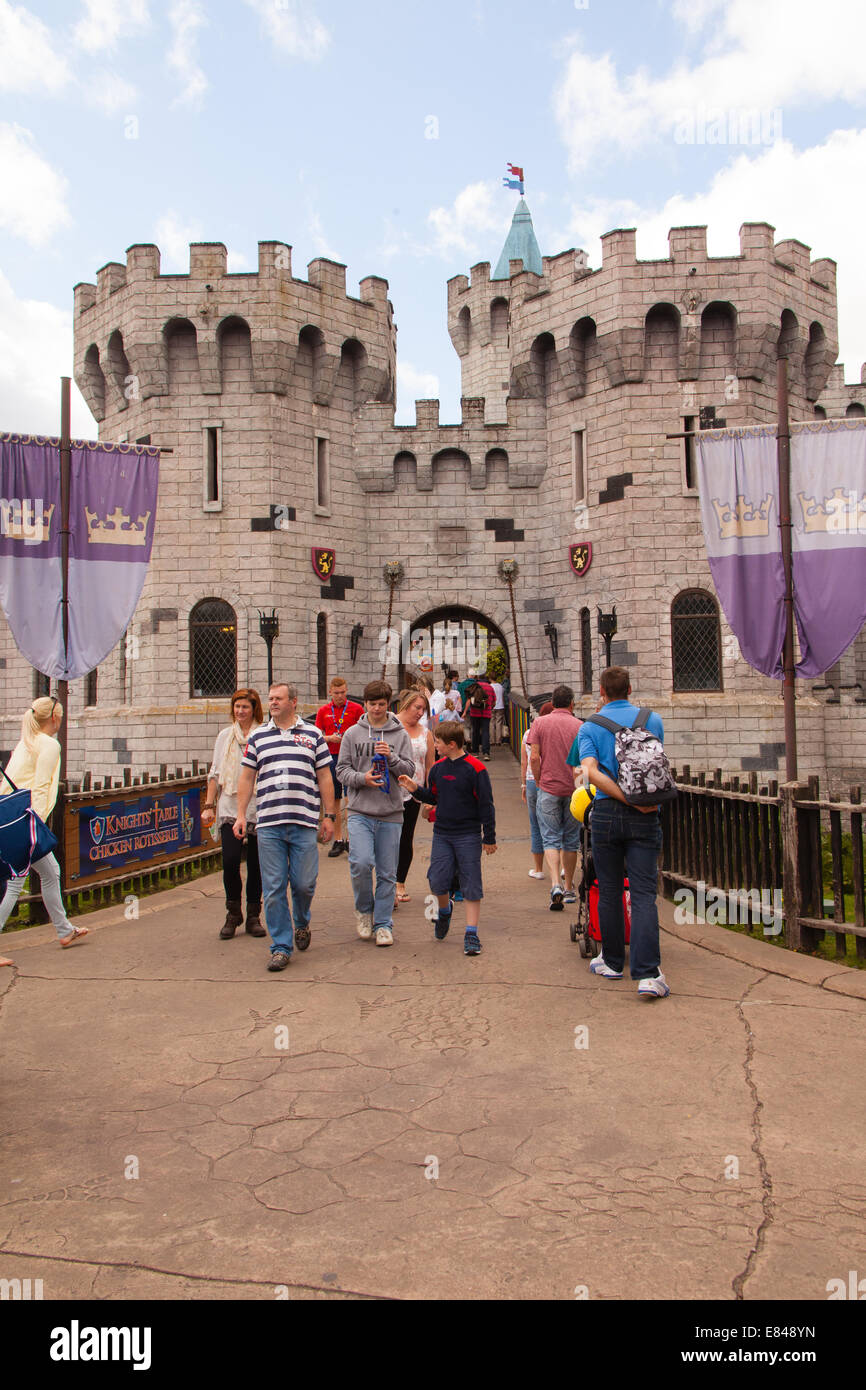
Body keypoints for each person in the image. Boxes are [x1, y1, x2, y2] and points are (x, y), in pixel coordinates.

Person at [570, 666, 670, 999]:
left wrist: (622, 798)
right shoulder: (651, 720)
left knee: (609, 889)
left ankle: (611, 962)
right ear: (629, 688)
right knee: (642, 894)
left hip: (607, 815)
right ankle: (647, 974)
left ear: (601, 691)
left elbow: (589, 772)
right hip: (645, 814)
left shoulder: (590, 726)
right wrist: (638, 801)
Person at [234, 682, 335, 971]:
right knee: (275, 887)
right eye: (270, 699)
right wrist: (242, 814)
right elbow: (246, 778)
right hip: (269, 824)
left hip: (304, 821)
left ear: (293, 701)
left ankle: (301, 922)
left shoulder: (313, 734)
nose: (273, 703)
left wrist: (329, 816)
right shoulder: (257, 737)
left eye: (278, 698)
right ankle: (281, 945)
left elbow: (325, 777)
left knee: (303, 884)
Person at [0, 695, 89, 962]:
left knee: (49, 873)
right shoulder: (49, 744)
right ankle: (64, 930)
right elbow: (40, 786)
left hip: (10, 818)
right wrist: (35, 826)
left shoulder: (26, 742)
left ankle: (65, 930)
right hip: (25, 822)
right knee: (17, 882)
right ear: (56, 718)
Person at [399, 721, 496, 956]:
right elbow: (433, 796)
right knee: (437, 881)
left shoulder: (475, 769)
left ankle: (471, 933)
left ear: (451, 744)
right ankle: (444, 911)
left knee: (471, 883)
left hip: (468, 834)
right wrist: (414, 788)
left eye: (439, 744)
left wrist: (489, 837)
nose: (436, 747)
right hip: (442, 833)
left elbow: (486, 804)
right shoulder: (439, 769)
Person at [337, 679, 415, 947]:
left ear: (388, 703)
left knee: (386, 872)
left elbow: (409, 770)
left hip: (391, 811)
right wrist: (362, 779)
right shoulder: (352, 734)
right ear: (365, 704)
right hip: (360, 809)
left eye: (382, 704)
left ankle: (383, 923)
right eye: (373, 704)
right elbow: (341, 770)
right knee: (360, 863)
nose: (377, 709)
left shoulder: (400, 734)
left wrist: (391, 759)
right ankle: (363, 911)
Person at [203, 688, 265, 939]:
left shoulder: (264, 734)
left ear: (254, 709)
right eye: (237, 707)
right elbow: (215, 773)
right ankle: (233, 911)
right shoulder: (225, 737)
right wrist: (209, 805)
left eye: (245, 707)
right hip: (230, 806)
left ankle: (253, 915)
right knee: (229, 861)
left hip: (258, 806)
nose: (240, 711)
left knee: (256, 864)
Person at [526, 684, 583, 910]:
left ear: (553, 701)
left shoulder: (539, 723)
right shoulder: (580, 726)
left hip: (548, 787)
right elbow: (583, 761)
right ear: (571, 703)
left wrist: (539, 781)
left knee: (549, 838)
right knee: (571, 839)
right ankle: (569, 888)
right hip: (573, 789)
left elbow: (534, 757)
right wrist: (580, 787)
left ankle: (555, 884)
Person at [315, 676, 363, 858]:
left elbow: (363, 731)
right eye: (336, 693)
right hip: (331, 756)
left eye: (343, 692)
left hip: (351, 757)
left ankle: (352, 839)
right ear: (330, 692)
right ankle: (338, 839)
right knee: (333, 799)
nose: (340, 696)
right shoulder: (323, 711)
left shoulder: (356, 709)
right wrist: (329, 738)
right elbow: (318, 736)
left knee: (351, 798)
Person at [395, 689, 435, 903]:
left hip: (414, 792)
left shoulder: (425, 733)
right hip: (389, 791)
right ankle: (386, 882)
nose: (420, 712)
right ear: (406, 705)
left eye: (423, 709)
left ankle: (399, 882)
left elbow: (430, 766)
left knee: (405, 836)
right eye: (417, 707)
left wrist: (430, 798)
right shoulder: (390, 725)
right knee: (388, 837)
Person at [521, 701, 554, 879]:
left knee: (535, 824)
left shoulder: (528, 733)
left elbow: (526, 761)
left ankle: (539, 869)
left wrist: (524, 785)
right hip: (551, 780)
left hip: (532, 780)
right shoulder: (554, 731)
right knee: (555, 825)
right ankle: (562, 867)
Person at [466, 673, 494, 760]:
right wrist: (489, 708)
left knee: (475, 731)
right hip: (486, 713)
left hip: (474, 712)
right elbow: (493, 700)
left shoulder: (474, 686)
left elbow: (469, 699)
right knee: (485, 731)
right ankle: (486, 753)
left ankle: (475, 752)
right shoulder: (490, 687)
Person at [490, 675, 506, 747]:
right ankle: (498, 740)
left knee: (491, 723)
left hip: (492, 706)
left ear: (490, 678)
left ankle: (492, 740)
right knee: (499, 723)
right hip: (500, 706)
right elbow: (502, 696)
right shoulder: (500, 686)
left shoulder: (490, 686)